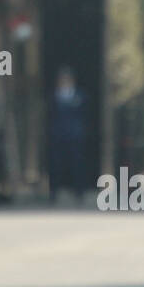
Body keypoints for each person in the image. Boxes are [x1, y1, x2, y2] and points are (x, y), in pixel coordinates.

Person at [48, 66, 88, 205]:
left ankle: (79, 192)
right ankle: (54, 193)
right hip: (58, 135)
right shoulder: (54, 96)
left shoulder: (80, 95)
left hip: (75, 135)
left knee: (77, 165)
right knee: (56, 165)